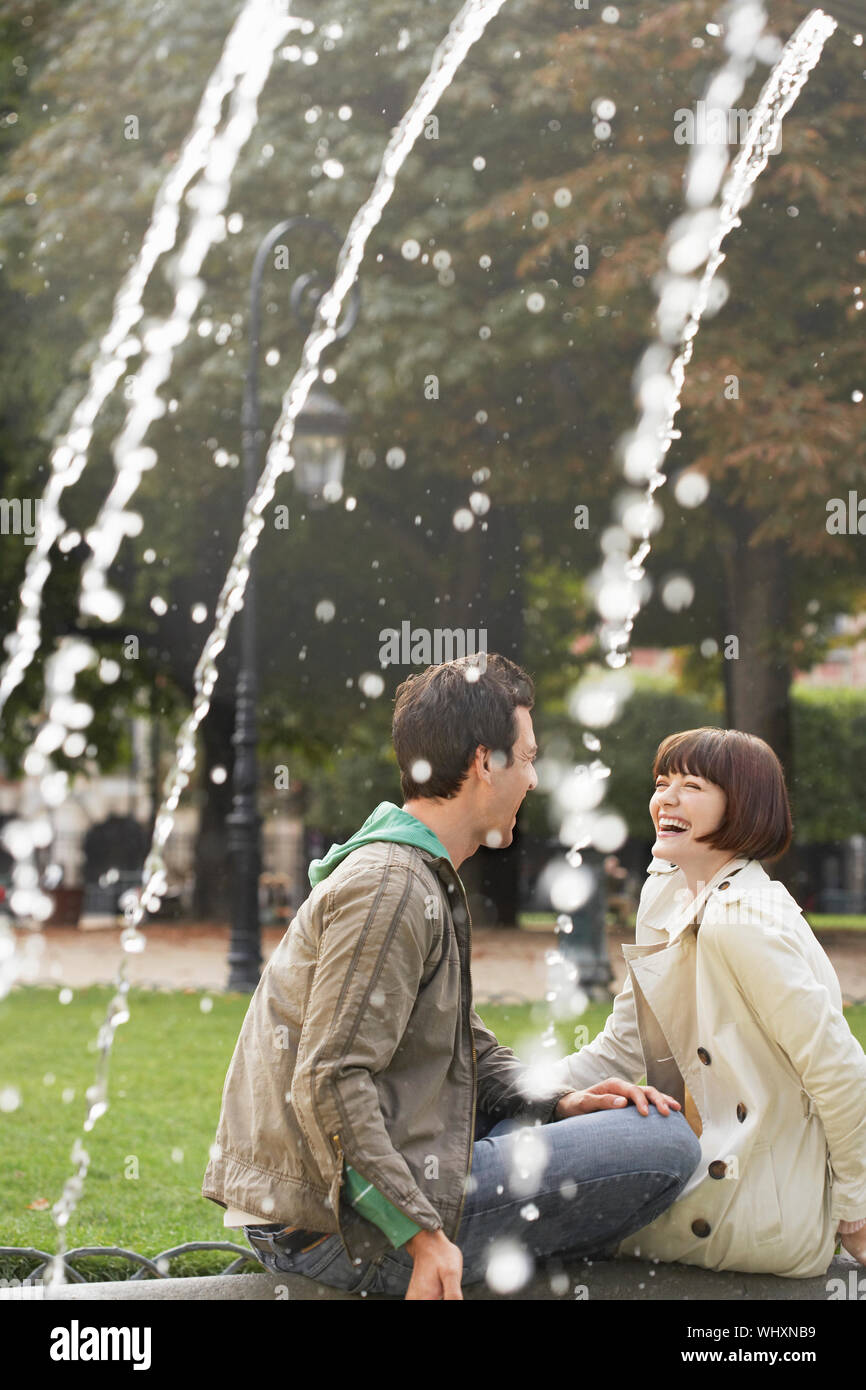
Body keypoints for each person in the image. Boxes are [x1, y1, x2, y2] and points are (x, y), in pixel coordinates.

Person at [202, 654, 701, 1299]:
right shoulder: (393, 887)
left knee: (603, 1128)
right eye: (524, 757)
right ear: (482, 764)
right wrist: (419, 1235)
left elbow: (464, 1042)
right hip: (344, 1234)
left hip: (337, 1210)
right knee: (663, 1145)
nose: (532, 777)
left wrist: (557, 1103)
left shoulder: (412, 873)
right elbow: (328, 1079)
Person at [556, 726, 866, 1277]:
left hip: (759, 1211)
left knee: (523, 1203)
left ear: (741, 807)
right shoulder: (666, 891)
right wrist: (525, 1094)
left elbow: (840, 1069)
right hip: (709, 1161)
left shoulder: (741, 922)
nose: (666, 799)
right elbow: (624, 1047)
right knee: (514, 1148)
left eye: (692, 785)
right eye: (662, 782)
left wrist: (856, 1210)